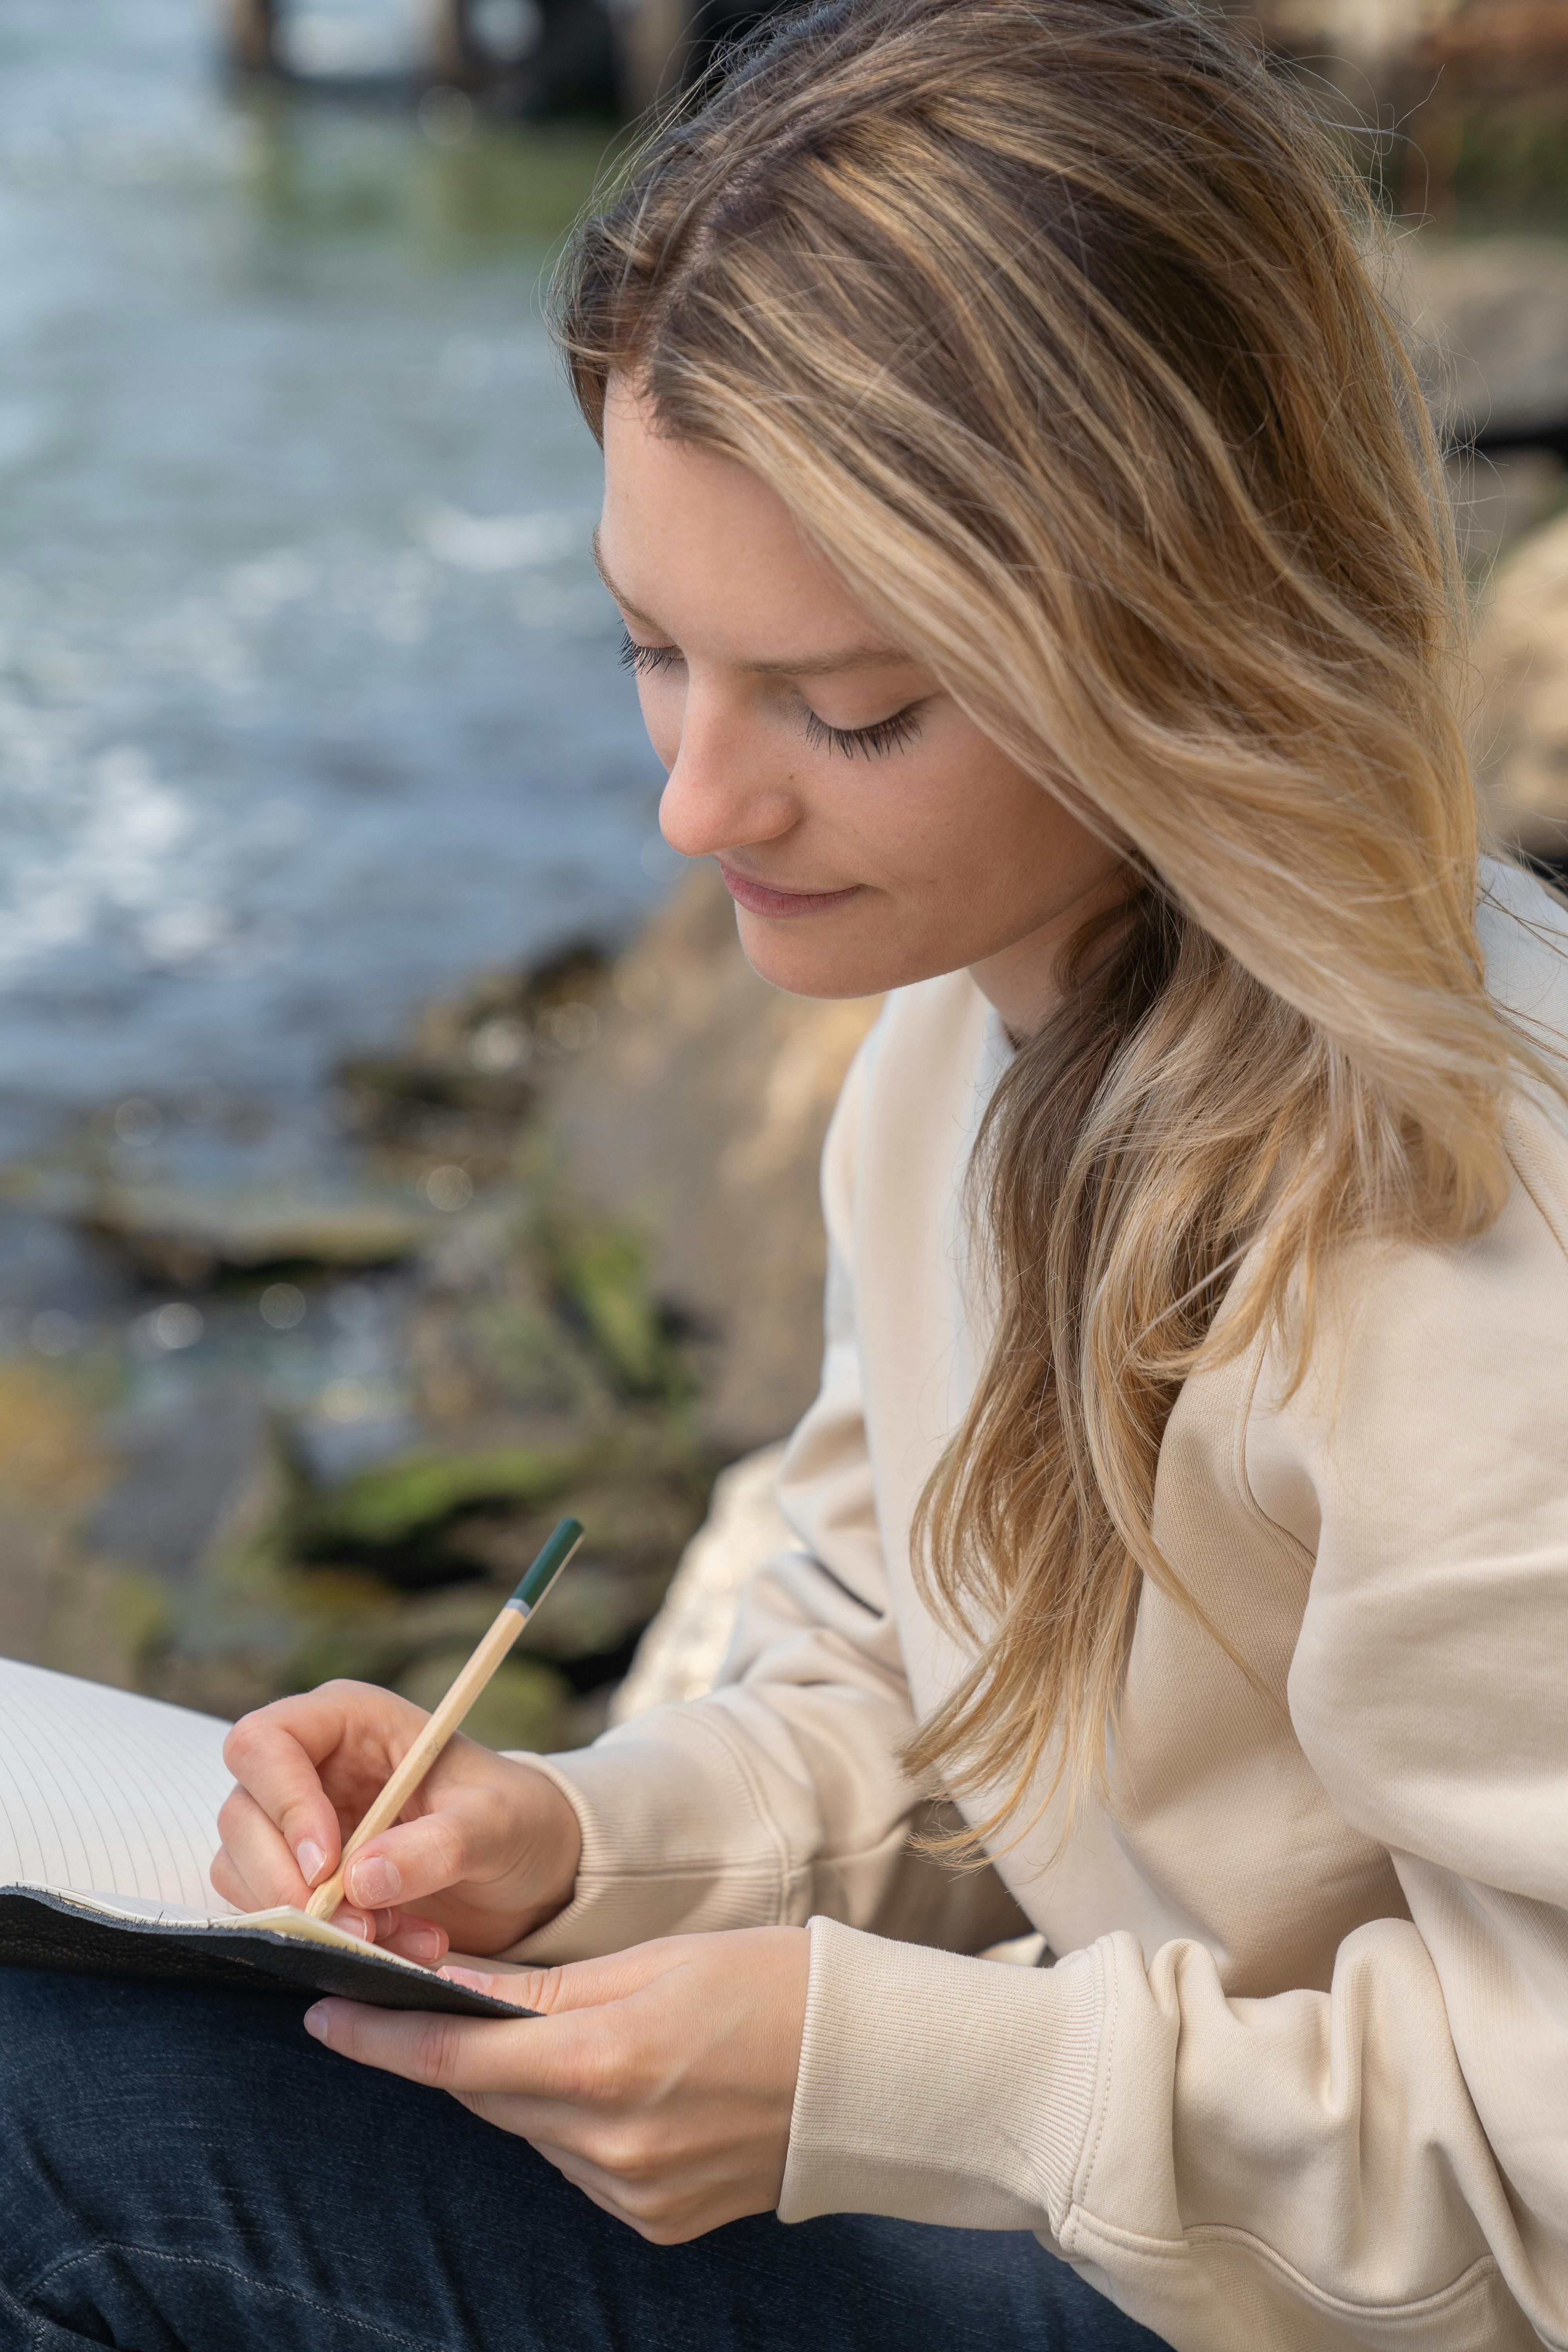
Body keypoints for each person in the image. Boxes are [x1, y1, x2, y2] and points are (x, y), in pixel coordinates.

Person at [4, 0, 1568, 2345]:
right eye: (652, 649)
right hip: (1160, 2229)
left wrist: (890, 2081)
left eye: (849, 711)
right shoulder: (981, 1005)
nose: (696, 807)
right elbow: (930, 1689)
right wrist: (567, 1839)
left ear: (1189, 639)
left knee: (51, 2124)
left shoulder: (1476, 1246)